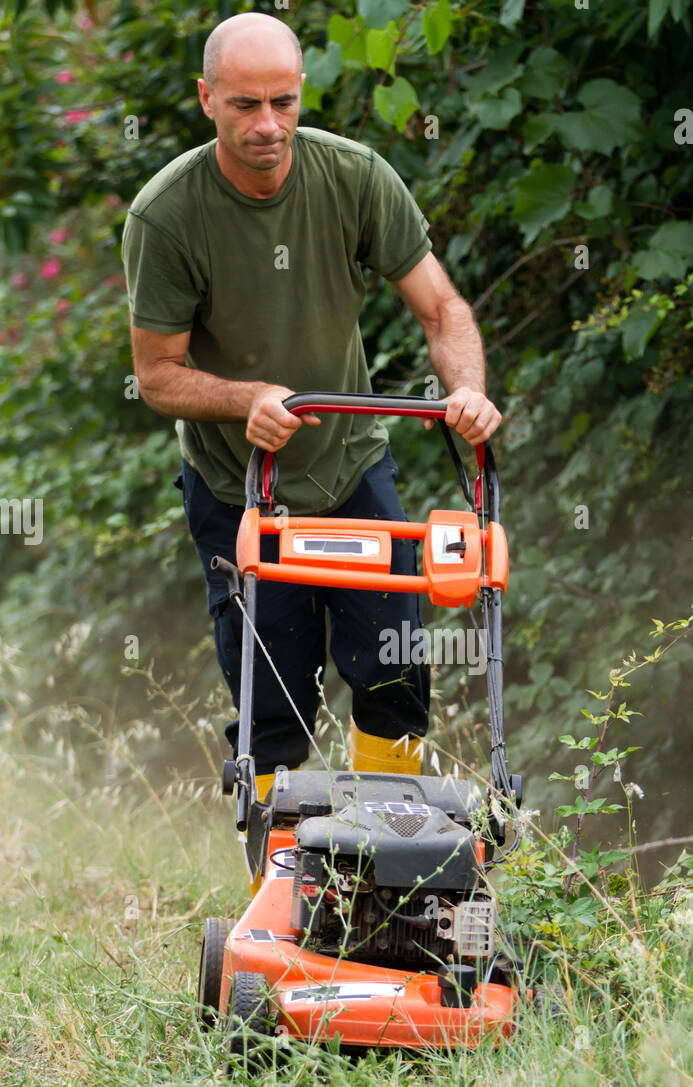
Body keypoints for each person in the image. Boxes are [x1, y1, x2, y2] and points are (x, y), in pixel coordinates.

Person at [122, 12, 501, 803]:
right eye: (245, 105)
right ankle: (282, 890)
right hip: (239, 493)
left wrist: (466, 389)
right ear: (206, 99)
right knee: (274, 714)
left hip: (354, 473)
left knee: (394, 679)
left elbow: (441, 311)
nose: (268, 125)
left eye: (285, 103)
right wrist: (246, 399)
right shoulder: (167, 216)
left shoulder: (353, 176)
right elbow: (157, 376)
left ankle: (390, 859)